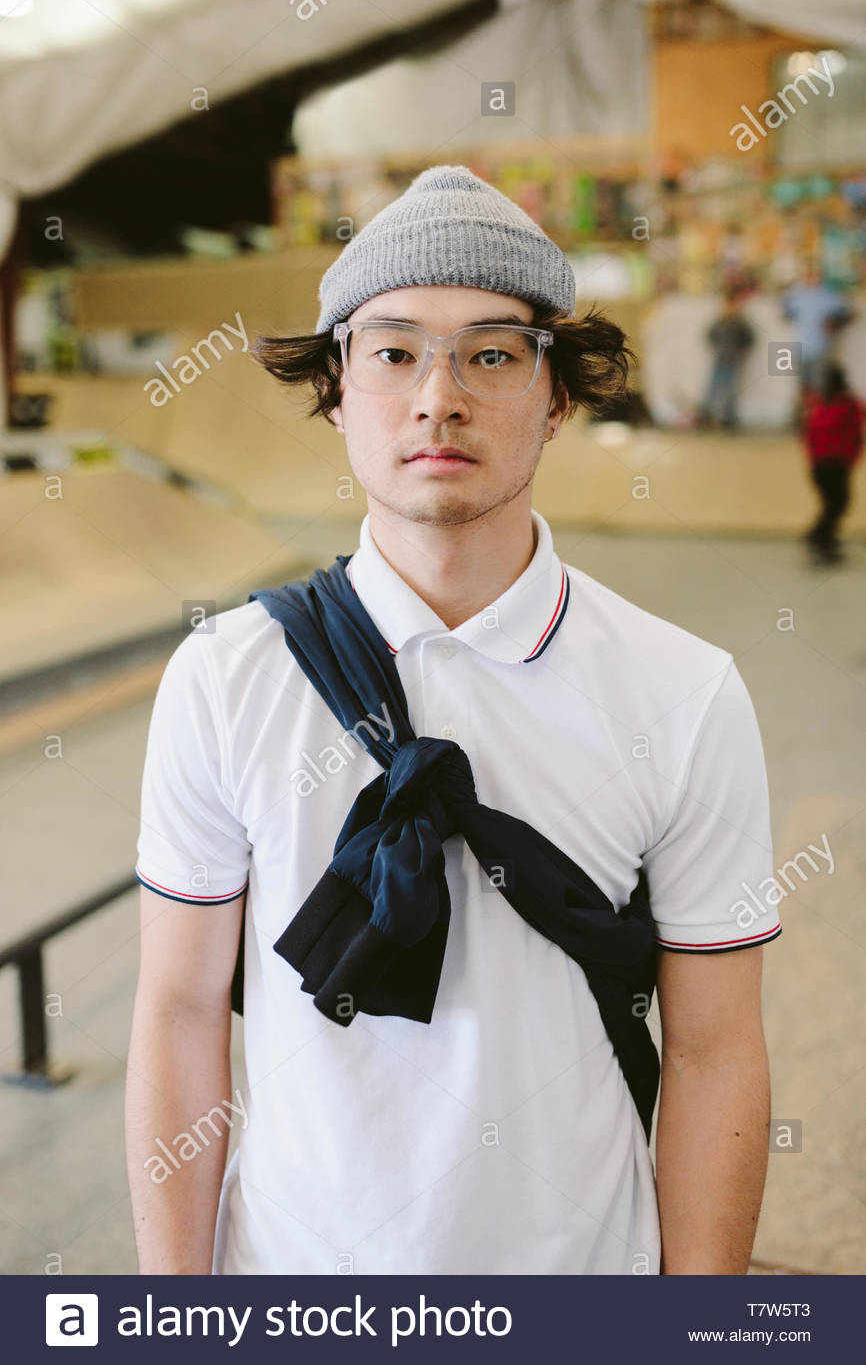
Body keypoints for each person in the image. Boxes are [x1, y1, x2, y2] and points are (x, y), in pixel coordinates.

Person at [126, 165, 781, 1278]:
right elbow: (182, 1012)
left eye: (490, 353)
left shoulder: (681, 691)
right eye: (391, 353)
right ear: (337, 388)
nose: (438, 396)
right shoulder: (224, 677)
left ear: (557, 393)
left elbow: (716, 1047)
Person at [800, 363, 863, 564]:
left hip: (819, 464)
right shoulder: (849, 404)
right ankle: (819, 538)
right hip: (836, 462)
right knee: (838, 503)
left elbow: (806, 434)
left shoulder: (817, 404)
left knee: (832, 504)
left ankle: (822, 537)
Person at [782, 262, 852, 396]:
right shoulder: (797, 294)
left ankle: (818, 415)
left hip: (821, 347)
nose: (811, 277)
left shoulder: (828, 294)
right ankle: (806, 415)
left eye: (814, 274)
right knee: (802, 386)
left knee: (820, 385)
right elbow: (786, 312)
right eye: (808, 274)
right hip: (800, 347)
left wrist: (834, 324)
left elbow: (846, 312)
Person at [700, 287, 755, 430]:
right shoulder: (720, 321)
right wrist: (716, 349)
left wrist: (741, 352)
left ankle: (728, 418)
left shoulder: (740, 322)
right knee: (713, 388)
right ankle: (706, 416)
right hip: (720, 359)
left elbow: (750, 339)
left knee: (730, 390)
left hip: (733, 360)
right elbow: (709, 335)